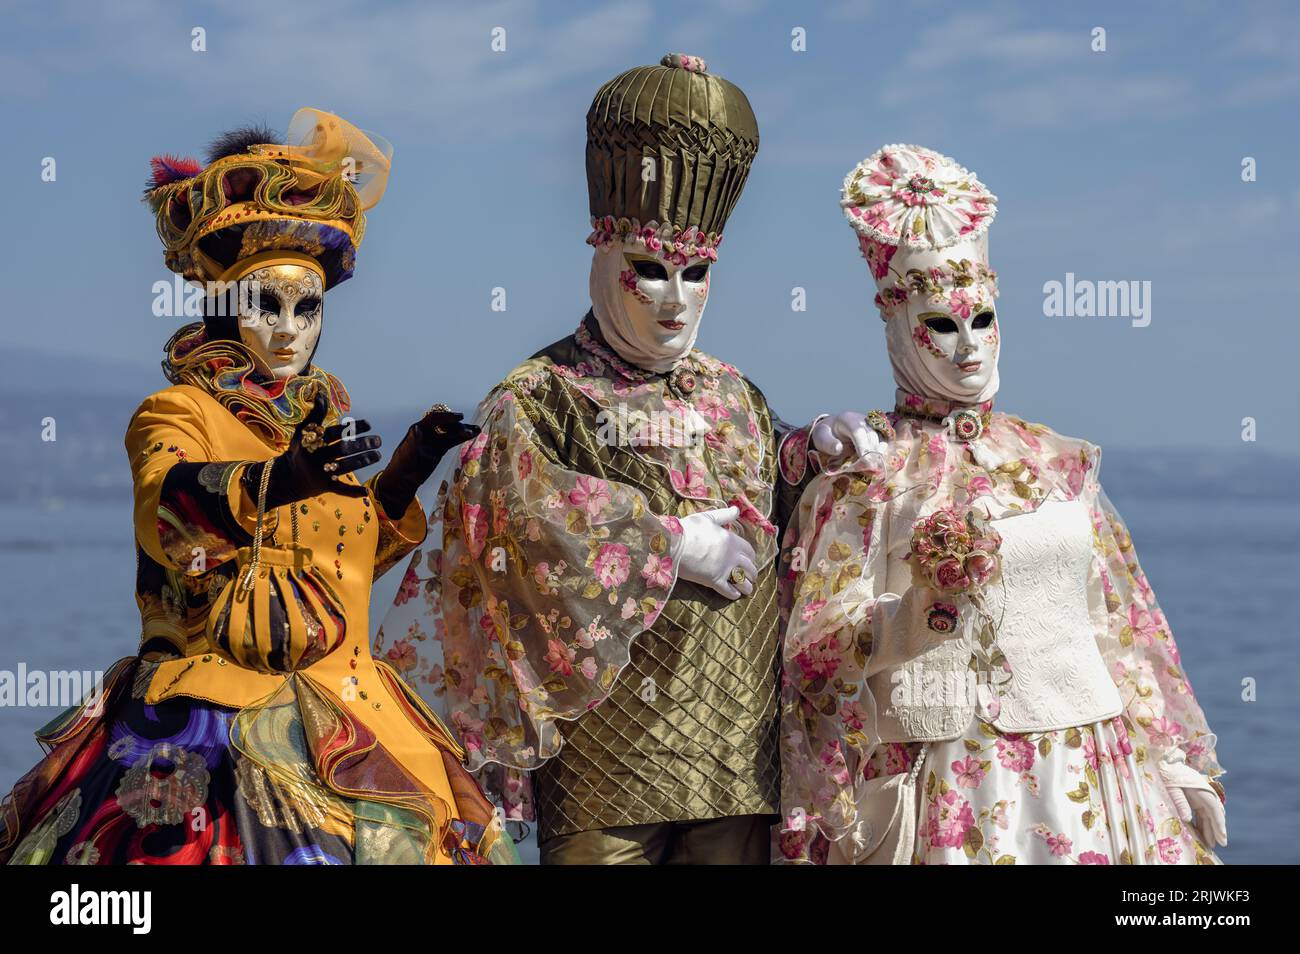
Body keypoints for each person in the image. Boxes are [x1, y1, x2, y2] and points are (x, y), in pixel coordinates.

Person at [379, 55, 874, 865]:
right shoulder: (540, 393)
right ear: (606, 258)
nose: (675, 299)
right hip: (606, 759)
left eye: (696, 273)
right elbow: (510, 519)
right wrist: (669, 543)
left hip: (733, 745)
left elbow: (769, 499)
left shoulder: (733, 391)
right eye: (650, 272)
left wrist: (811, 453)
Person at [0, 110, 515, 865]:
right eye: (264, 306)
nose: (287, 332)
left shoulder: (317, 420)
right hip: (216, 709)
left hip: (350, 705)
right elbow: (166, 509)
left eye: (306, 309)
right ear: (222, 306)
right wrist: (284, 477)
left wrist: (404, 474)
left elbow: (336, 568)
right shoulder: (180, 411)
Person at [776, 144, 1225, 865]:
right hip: (950, 779)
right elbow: (816, 653)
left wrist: (1171, 761)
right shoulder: (867, 472)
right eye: (942, 327)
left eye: (981, 320)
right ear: (899, 327)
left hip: (1091, 768)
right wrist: (923, 612)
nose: (968, 349)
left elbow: (1118, 620)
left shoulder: (1053, 460)